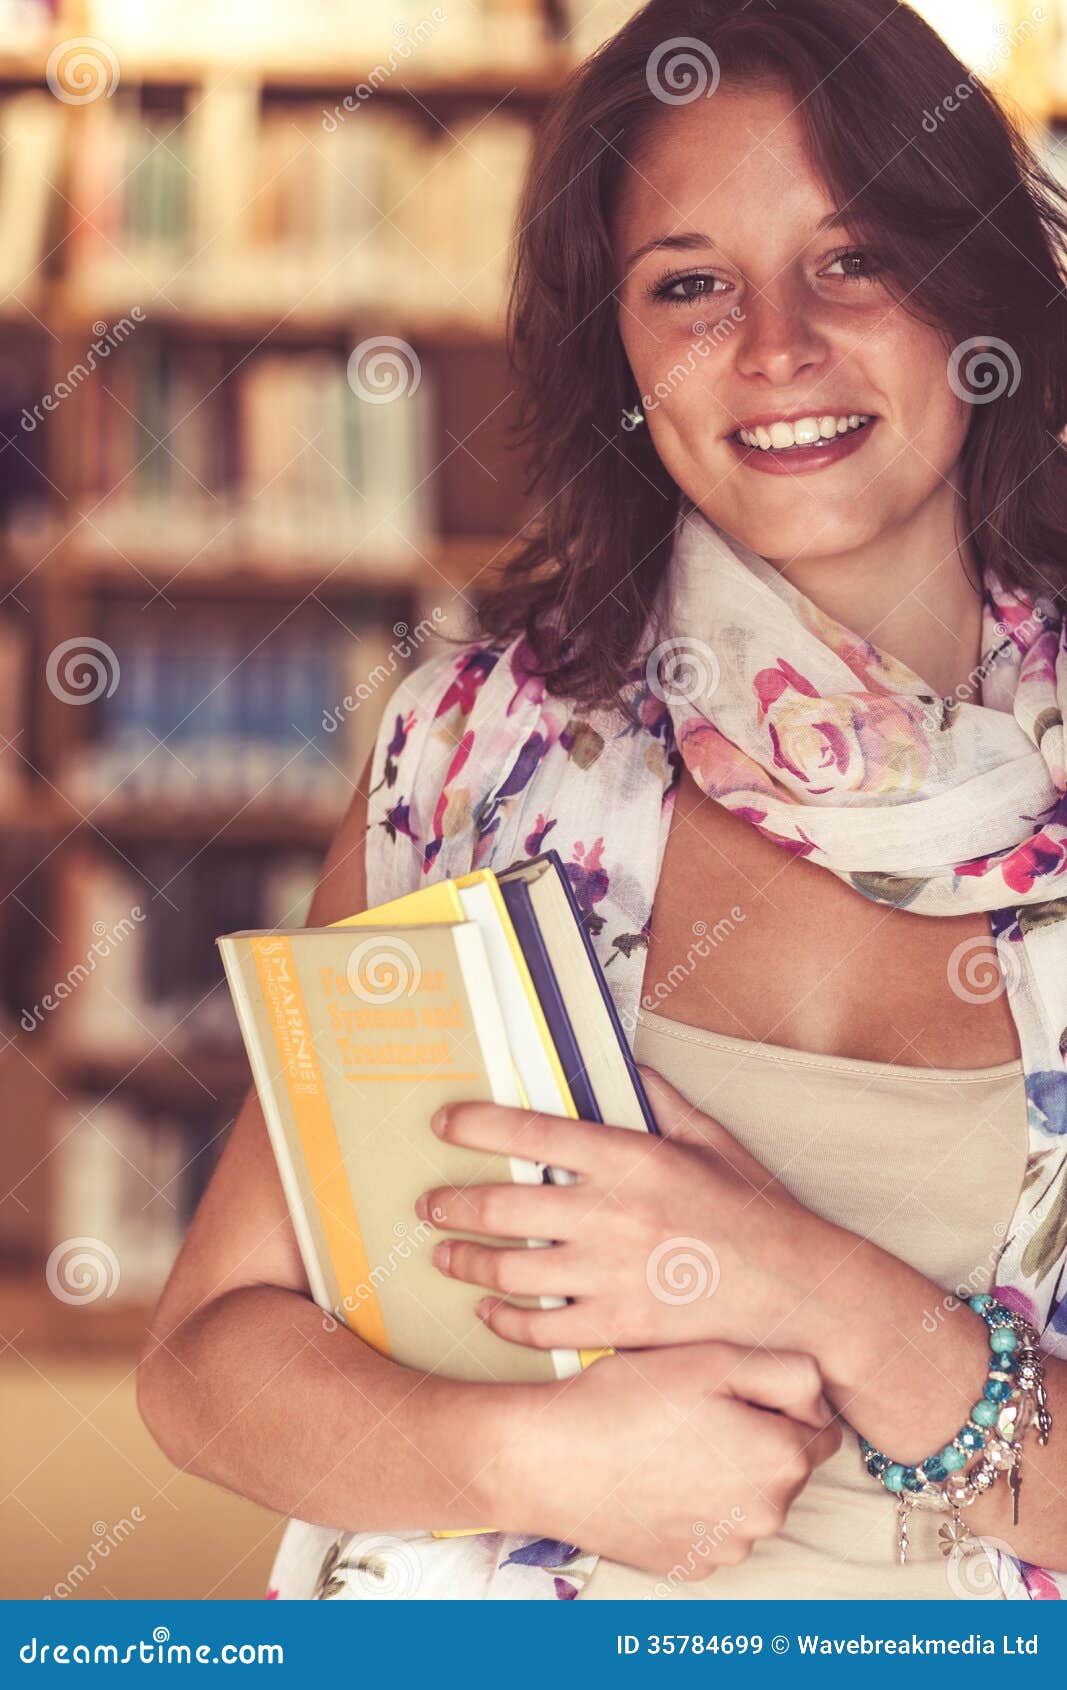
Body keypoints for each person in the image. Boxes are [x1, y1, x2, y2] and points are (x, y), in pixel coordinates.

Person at [137, 0, 1067, 1601]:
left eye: (852, 258)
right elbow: (205, 1366)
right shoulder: (478, 751)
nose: (777, 346)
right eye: (690, 285)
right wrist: (520, 1457)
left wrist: (816, 1285)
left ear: (973, 282)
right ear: (620, 355)